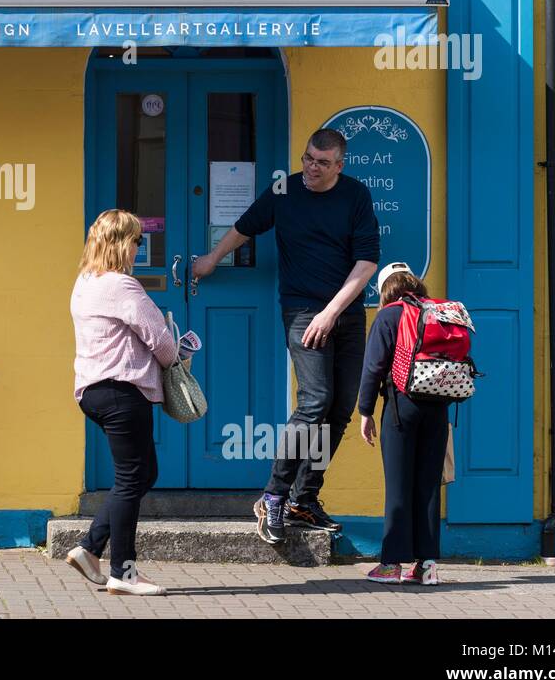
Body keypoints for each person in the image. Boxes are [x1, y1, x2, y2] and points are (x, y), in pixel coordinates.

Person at [192, 128, 379, 543]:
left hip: (344, 315)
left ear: (339, 166)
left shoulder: (355, 196)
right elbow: (245, 225)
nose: (311, 168)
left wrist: (332, 313)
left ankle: (303, 498)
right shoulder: (284, 190)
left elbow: (366, 262)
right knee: (315, 401)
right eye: (308, 158)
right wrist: (211, 259)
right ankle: (274, 496)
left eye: (322, 163)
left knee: (342, 407)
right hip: (301, 311)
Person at [67, 209, 178, 596]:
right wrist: (179, 356)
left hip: (94, 391)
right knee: (132, 477)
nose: (138, 247)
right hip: (120, 391)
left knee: (142, 473)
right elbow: (161, 341)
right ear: (120, 244)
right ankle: (123, 571)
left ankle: (89, 548)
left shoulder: (85, 282)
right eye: (135, 240)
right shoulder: (121, 286)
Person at [359, 262, 448, 586]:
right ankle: (426, 567)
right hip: (438, 407)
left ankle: (391, 565)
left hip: (402, 407)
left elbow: (373, 368)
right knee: (427, 487)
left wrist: (365, 411)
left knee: (398, 486)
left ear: (386, 290)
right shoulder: (437, 313)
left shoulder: (388, 315)